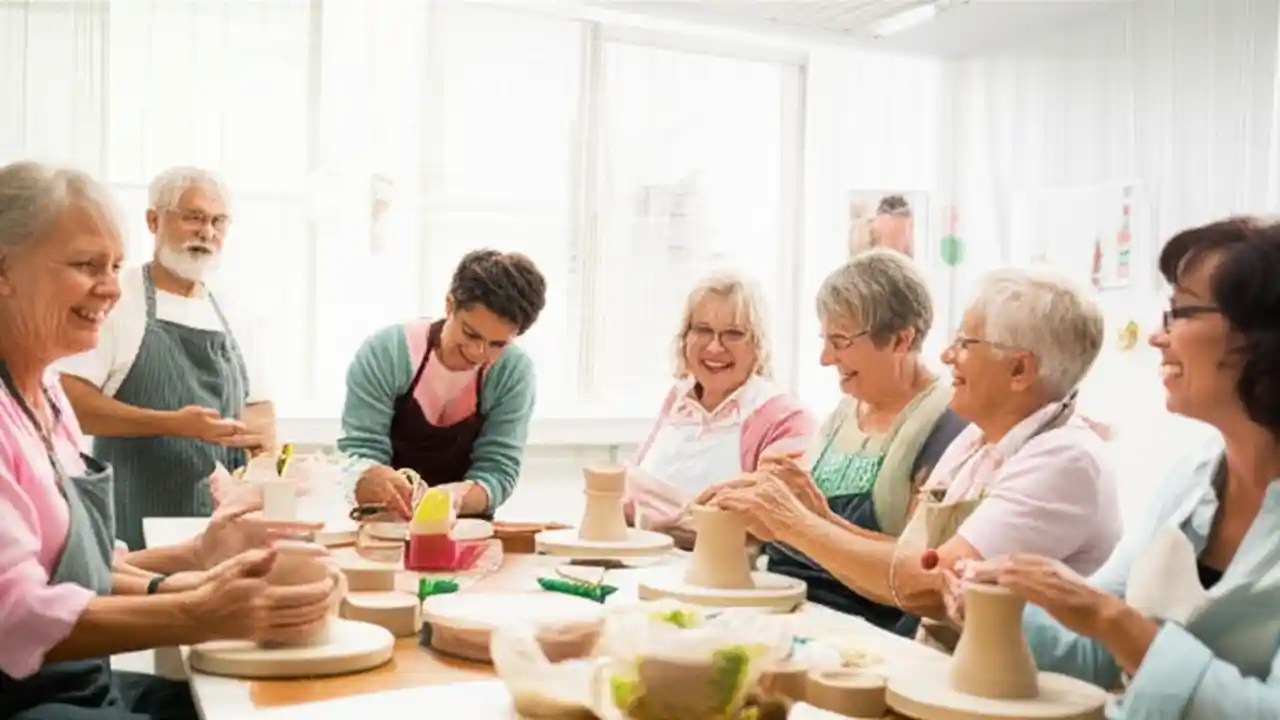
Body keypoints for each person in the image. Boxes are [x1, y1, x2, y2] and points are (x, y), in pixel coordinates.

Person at [0, 161, 337, 719]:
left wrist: (197, 558)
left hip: (79, 684)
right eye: (87, 265)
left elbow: (81, 568)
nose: (109, 286)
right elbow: (16, 617)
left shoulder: (47, 394)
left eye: (112, 265)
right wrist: (198, 610)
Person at [948, 219, 1280, 719]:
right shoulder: (1192, 479)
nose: (1156, 337)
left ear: (1262, 338)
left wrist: (1113, 622)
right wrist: (999, 608)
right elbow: (1098, 648)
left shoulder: (1070, 456)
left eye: (1180, 313)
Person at [703, 264, 1122, 633]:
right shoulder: (976, 442)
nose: (946, 354)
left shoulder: (1063, 462)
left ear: (1019, 370)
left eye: (965, 344)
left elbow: (928, 584)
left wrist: (793, 523)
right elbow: (910, 556)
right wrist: (815, 515)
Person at [703, 250, 966, 629]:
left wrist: (795, 523)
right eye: (825, 339)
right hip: (796, 608)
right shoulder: (844, 412)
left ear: (901, 340)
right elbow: (811, 532)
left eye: (840, 342)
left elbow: (919, 574)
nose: (826, 358)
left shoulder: (948, 426)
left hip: (869, 629)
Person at [59, 167, 273, 550]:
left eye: (218, 221)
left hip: (221, 529)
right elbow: (71, 403)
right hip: (133, 529)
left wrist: (265, 463)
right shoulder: (115, 297)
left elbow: (258, 406)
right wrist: (174, 423)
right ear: (153, 220)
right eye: (193, 217)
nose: (206, 232)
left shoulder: (231, 307)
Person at [342, 249, 547, 519]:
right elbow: (359, 451)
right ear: (449, 305)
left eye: (497, 344)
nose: (479, 352)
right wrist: (368, 476)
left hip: (466, 529)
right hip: (383, 523)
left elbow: (498, 471)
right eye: (470, 333)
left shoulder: (513, 372)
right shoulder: (387, 353)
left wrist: (450, 500)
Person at [621, 271, 814, 546]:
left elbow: (767, 524)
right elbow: (625, 490)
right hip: (649, 564)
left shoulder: (786, 418)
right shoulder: (677, 400)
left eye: (733, 334)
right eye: (702, 330)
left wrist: (658, 512)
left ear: (758, 345)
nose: (714, 346)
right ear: (685, 338)